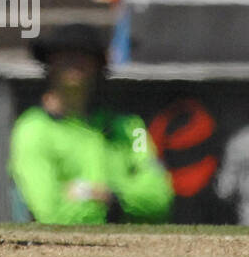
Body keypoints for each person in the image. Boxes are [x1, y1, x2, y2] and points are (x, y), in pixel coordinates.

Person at [9, 25, 173, 223]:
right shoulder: (32, 129)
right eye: (65, 55)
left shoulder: (131, 128)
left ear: (99, 65)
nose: (75, 63)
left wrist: (107, 198)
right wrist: (117, 205)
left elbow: (160, 196)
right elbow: (50, 213)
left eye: (85, 55)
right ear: (49, 63)